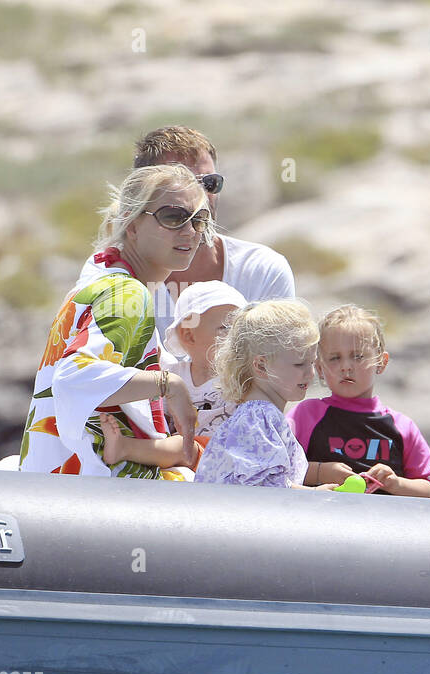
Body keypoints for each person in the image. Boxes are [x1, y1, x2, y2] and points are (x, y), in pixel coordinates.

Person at [20, 164, 206, 479]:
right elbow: (73, 377)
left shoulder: (101, 276)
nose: (190, 231)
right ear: (132, 225)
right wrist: (168, 386)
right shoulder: (128, 294)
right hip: (92, 484)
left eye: (199, 220)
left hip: (55, 477)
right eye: (173, 217)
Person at [78, 126, 295, 340]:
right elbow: (83, 365)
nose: (198, 197)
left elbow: (284, 366)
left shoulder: (262, 269)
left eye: (209, 183)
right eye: (180, 184)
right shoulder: (107, 271)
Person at [287, 306, 430, 497]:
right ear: (319, 368)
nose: (345, 367)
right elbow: (275, 468)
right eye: (334, 358)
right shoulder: (305, 415)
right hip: (322, 523)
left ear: (381, 362)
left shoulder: (403, 427)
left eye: (357, 356)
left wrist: (395, 483)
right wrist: (320, 472)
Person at [98, 280, 246, 470]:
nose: (236, 338)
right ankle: (125, 446)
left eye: (241, 330)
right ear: (189, 336)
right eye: (225, 328)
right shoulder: (175, 374)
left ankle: (125, 447)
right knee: (177, 443)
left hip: (221, 456)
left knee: (181, 445)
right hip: (187, 453)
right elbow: (152, 357)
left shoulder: (241, 377)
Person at [194, 300, 332, 489]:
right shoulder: (259, 417)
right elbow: (266, 488)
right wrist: (314, 493)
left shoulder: (255, 414)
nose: (310, 373)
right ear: (261, 366)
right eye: (299, 364)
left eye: (312, 362)